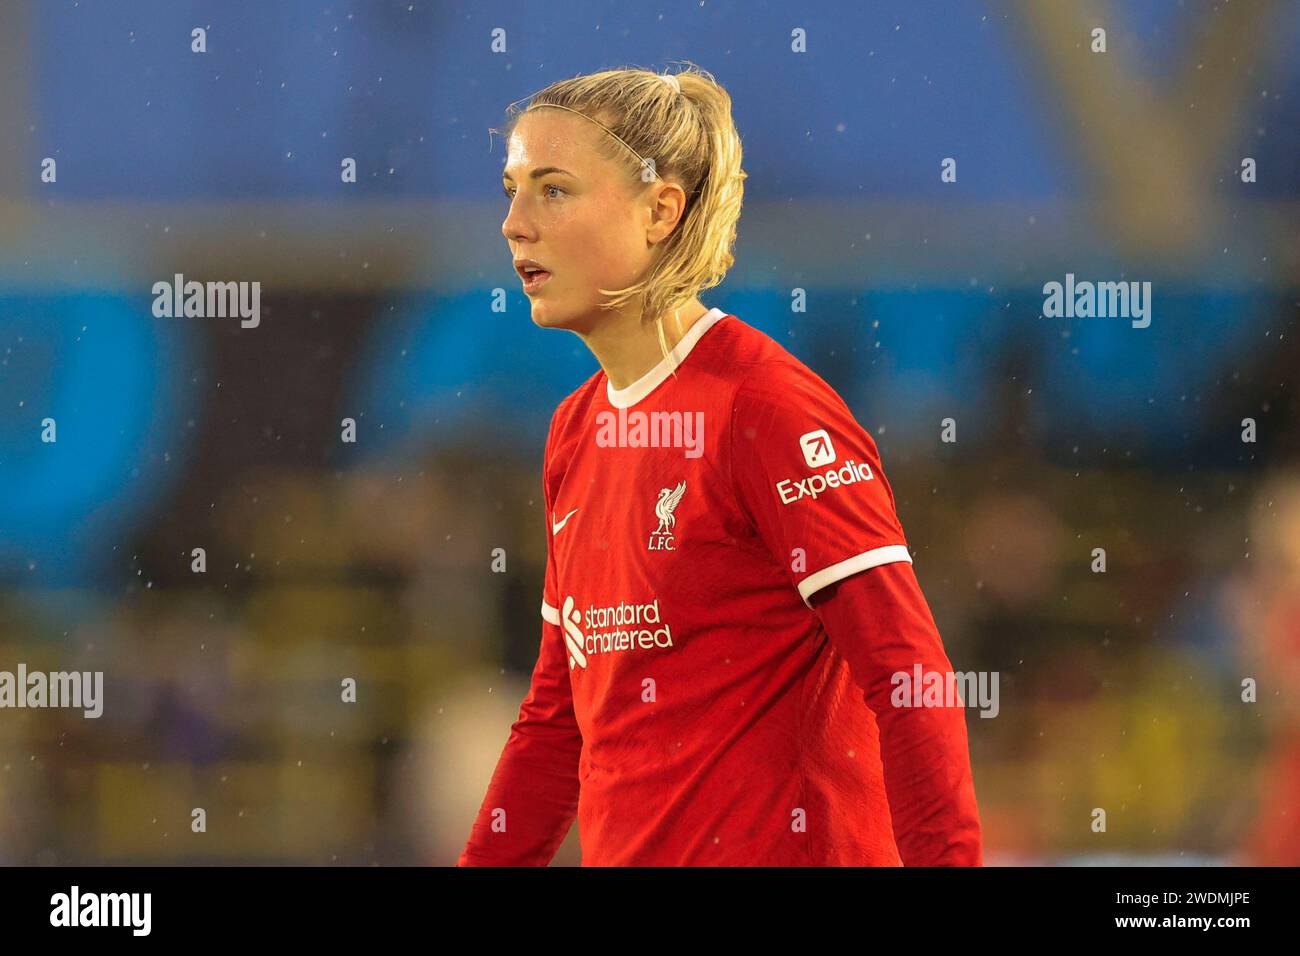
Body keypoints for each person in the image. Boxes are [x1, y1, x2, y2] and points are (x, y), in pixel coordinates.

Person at [459, 64, 982, 866]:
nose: (514, 224)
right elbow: (557, 724)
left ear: (661, 209)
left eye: (553, 190)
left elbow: (912, 680)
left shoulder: (765, 411)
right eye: (511, 190)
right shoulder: (574, 432)